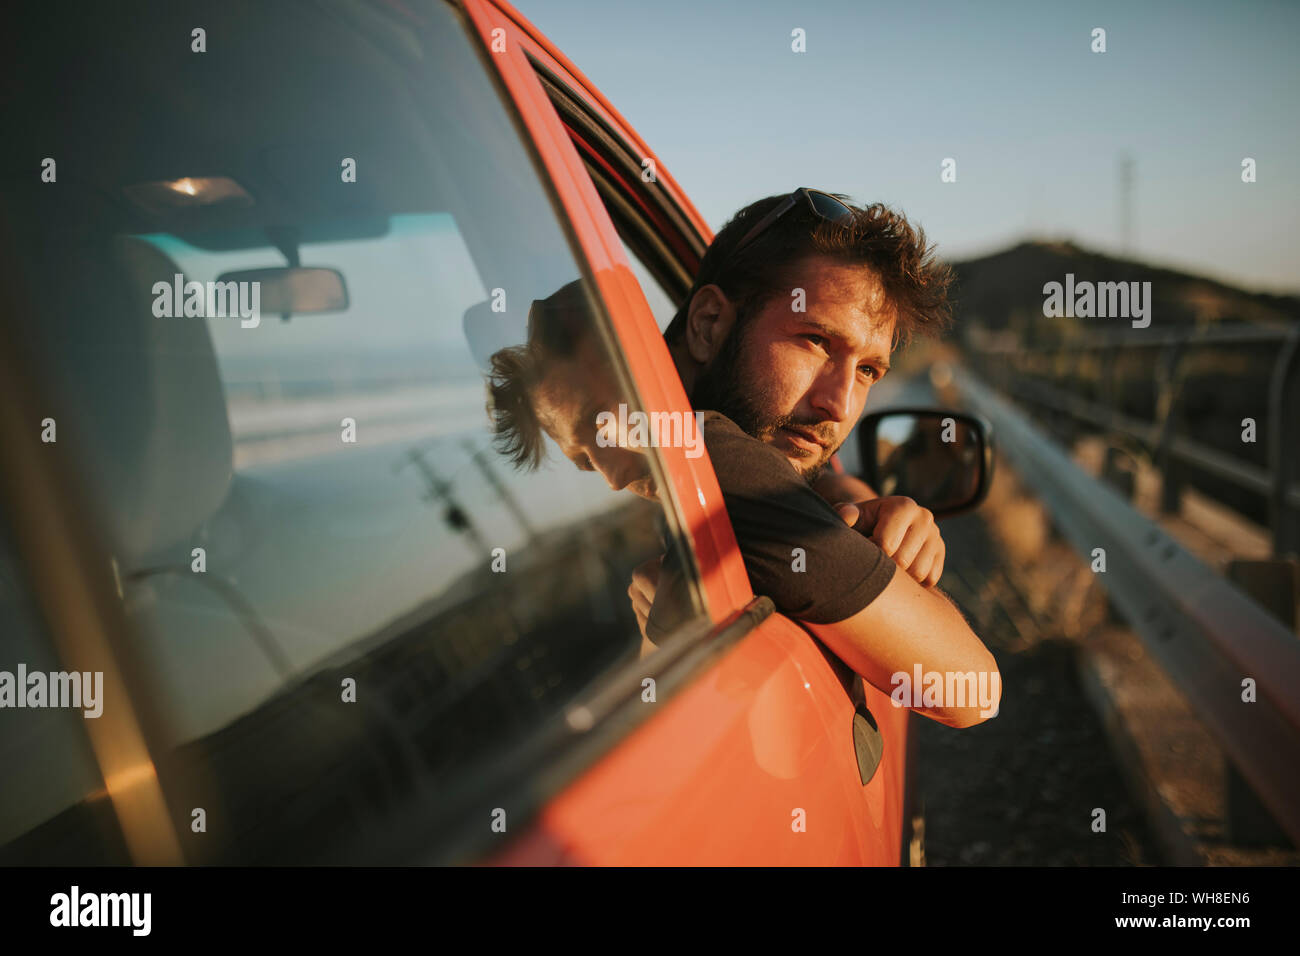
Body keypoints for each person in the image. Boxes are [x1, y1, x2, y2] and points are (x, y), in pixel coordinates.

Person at [485, 190, 999, 728]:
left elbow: (972, 690)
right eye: (817, 341)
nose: (839, 404)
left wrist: (851, 506)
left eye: (869, 370)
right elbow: (973, 692)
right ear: (707, 324)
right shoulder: (708, 456)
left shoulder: (714, 457)